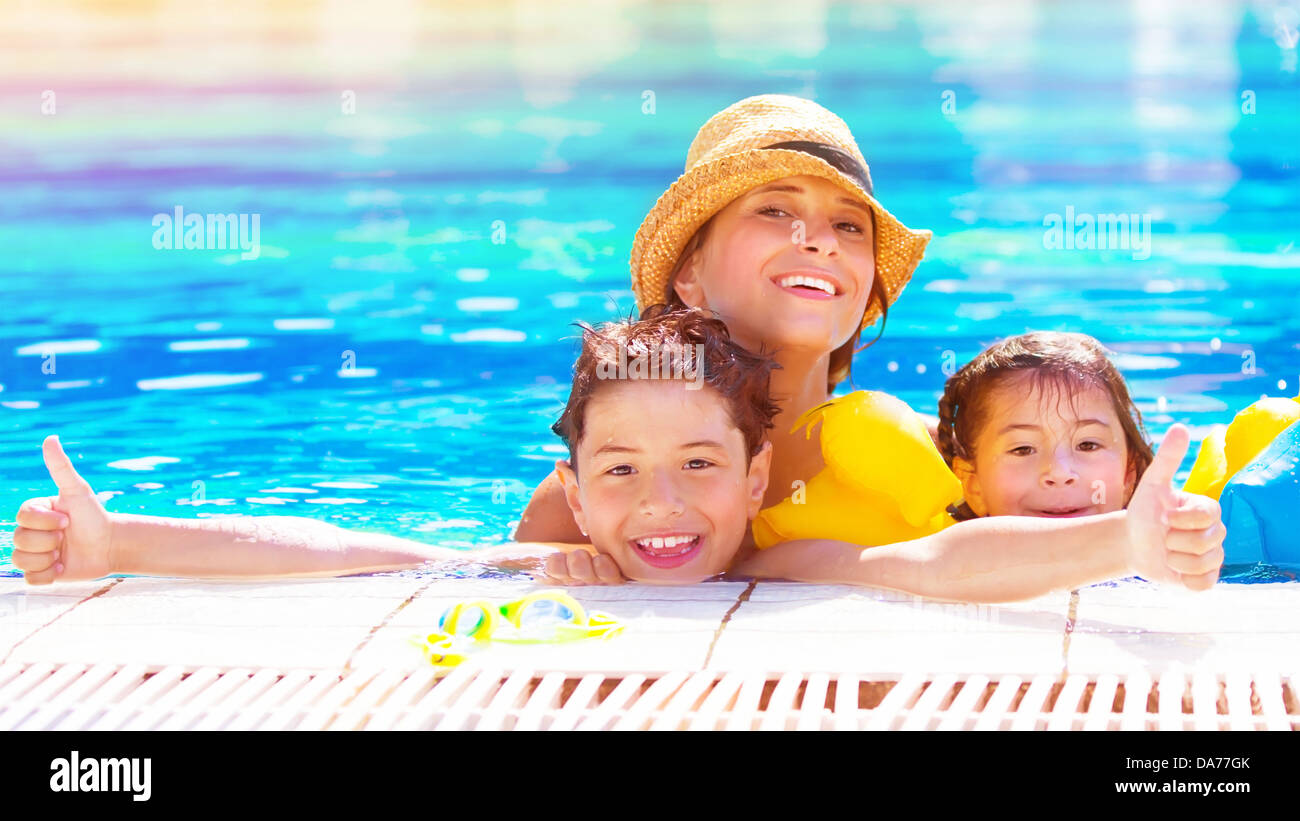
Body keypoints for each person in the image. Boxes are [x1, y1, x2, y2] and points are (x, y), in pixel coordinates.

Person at [525, 93, 1224, 600]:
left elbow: (947, 561)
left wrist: (1149, 537)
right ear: (689, 275)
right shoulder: (594, 490)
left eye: (849, 227)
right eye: (775, 209)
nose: (821, 240)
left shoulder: (946, 458)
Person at [10, 307, 779, 586]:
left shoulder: (793, 561)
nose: (661, 503)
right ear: (574, 495)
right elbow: (343, 551)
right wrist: (117, 540)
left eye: (699, 463)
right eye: (620, 470)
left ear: (757, 477)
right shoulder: (561, 565)